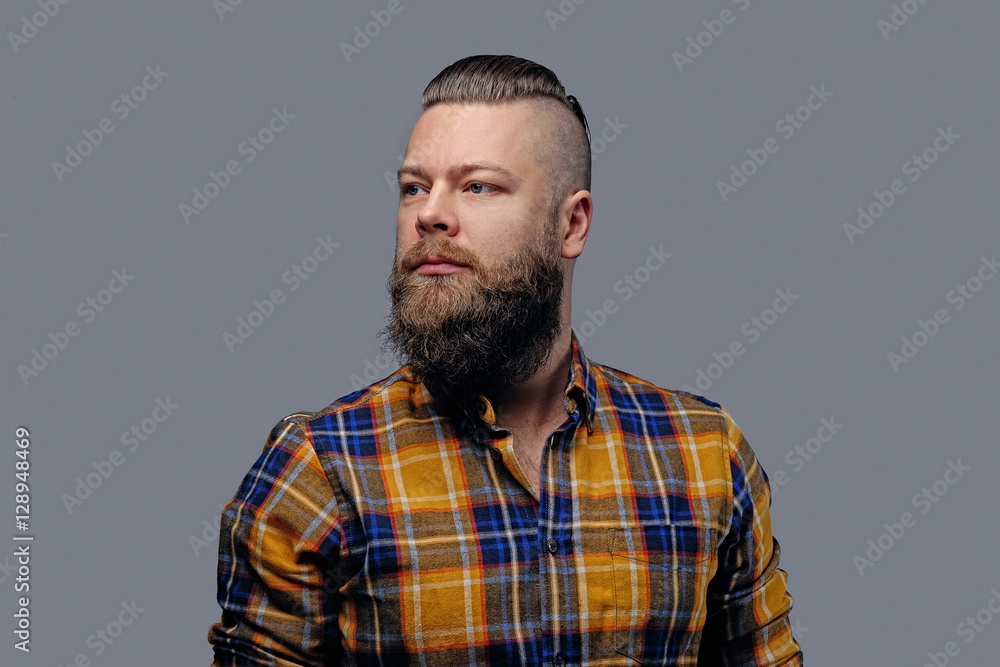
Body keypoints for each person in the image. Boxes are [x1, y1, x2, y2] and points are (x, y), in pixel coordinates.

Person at [208, 54, 803, 666]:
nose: (429, 214)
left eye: (477, 186)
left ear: (572, 224)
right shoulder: (317, 471)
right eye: (414, 187)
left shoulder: (706, 455)